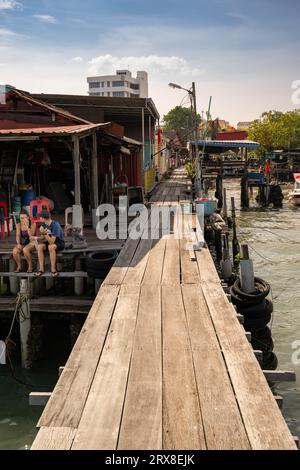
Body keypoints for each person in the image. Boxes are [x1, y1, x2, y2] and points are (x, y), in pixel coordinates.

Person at [33, 210, 65, 277]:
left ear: (43, 218)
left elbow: (52, 242)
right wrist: (36, 238)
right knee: (40, 246)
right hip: (49, 241)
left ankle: (53, 270)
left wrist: (44, 233)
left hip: (59, 242)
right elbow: (43, 237)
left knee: (51, 247)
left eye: (40, 217)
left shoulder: (55, 225)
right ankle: (41, 269)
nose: (39, 219)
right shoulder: (44, 224)